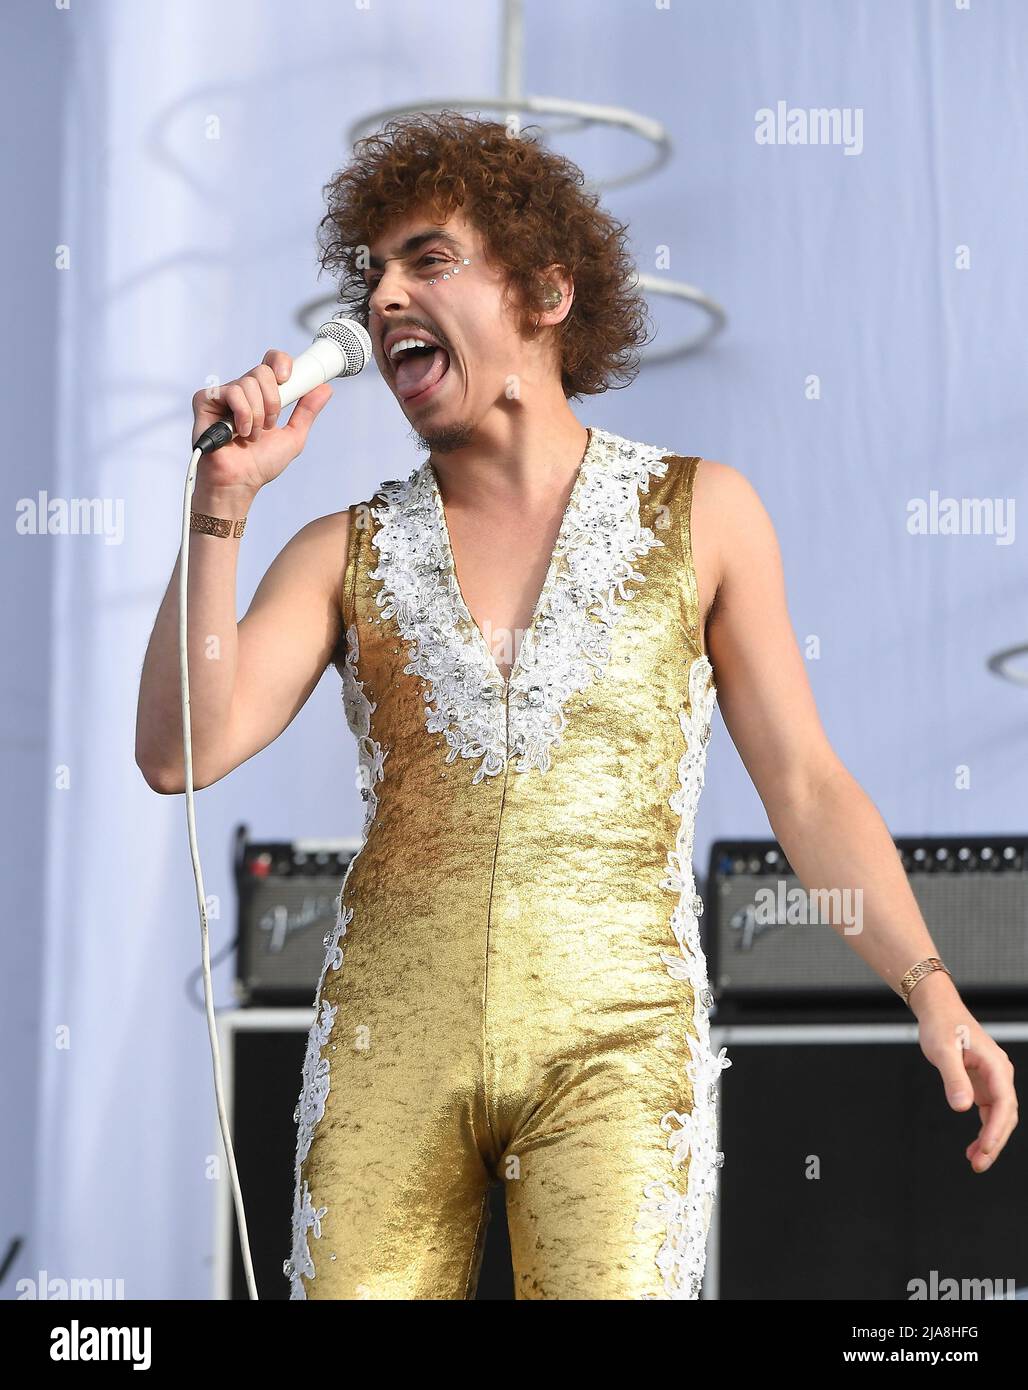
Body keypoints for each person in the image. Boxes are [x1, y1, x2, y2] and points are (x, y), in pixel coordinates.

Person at [135, 112, 1018, 1301]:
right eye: (373, 272)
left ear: (546, 292)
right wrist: (221, 506)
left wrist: (929, 983)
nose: (384, 294)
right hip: (386, 1043)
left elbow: (804, 782)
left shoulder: (701, 512)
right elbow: (174, 752)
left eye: (427, 260)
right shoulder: (337, 549)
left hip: (618, 1047)